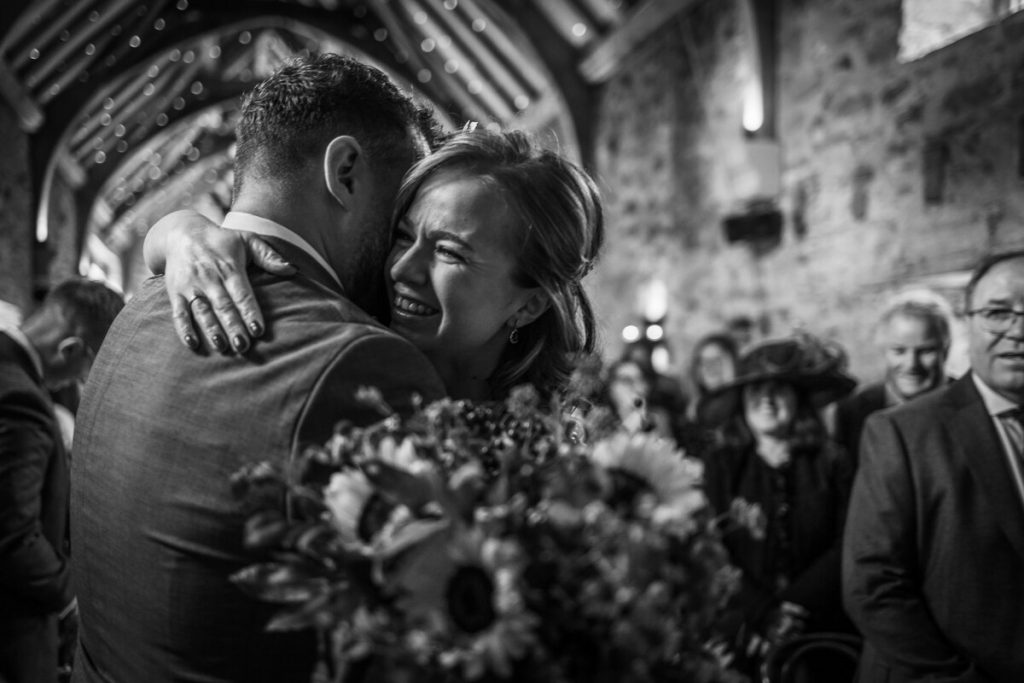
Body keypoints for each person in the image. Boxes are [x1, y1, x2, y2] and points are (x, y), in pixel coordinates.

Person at [70, 54, 449, 683]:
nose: (401, 253)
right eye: (402, 212)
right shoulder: (365, 363)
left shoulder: (137, 307)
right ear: (347, 171)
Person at [145, 128, 604, 402]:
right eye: (403, 235)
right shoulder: (347, 339)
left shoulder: (552, 451)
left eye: (449, 252)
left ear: (530, 305)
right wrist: (183, 232)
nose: (402, 269)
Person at [843, 250, 1024, 683]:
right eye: (998, 313)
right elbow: (873, 585)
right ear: (968, 324)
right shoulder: (900, 432)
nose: (1019, 330)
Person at [696, 333, 857, 677]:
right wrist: (762, 613)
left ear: (797, 399)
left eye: (779, 389)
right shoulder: (722, 463)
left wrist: (789, 610)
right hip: (743, 626)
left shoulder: (833, 462)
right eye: (756, 389)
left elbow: (848, 543)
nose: (767, 398)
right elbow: (713, 546)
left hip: (820, 624)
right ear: (741, 401)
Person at [1, 277, 124, 683]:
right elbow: (13, 536)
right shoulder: (20, 398)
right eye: (86, 368)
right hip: (14, 627)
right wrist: (70, 592)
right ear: (70, 349)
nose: (78, 382)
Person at [831, 290, 953, 463]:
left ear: (946, 350)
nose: (911, 364)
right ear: (883, 350)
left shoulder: (972, 404)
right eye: (899, 351)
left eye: (925, 351)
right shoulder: (853, 412)